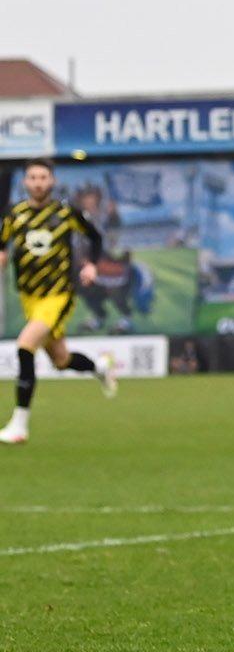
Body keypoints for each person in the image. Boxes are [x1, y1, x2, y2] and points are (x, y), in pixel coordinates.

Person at [0, 160, 118, 445]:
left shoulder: (66, 212)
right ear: (25, 183)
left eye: (43, 177)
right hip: (30, 296)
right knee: (61, 360)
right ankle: (98, 367)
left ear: (51, 181)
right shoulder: (15, 215)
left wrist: (90, 264)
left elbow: (95, 236)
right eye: (33, 177)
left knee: (25, 345)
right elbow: (2, 246)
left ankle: (19, 425)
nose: (38, 182)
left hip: (59, 294)